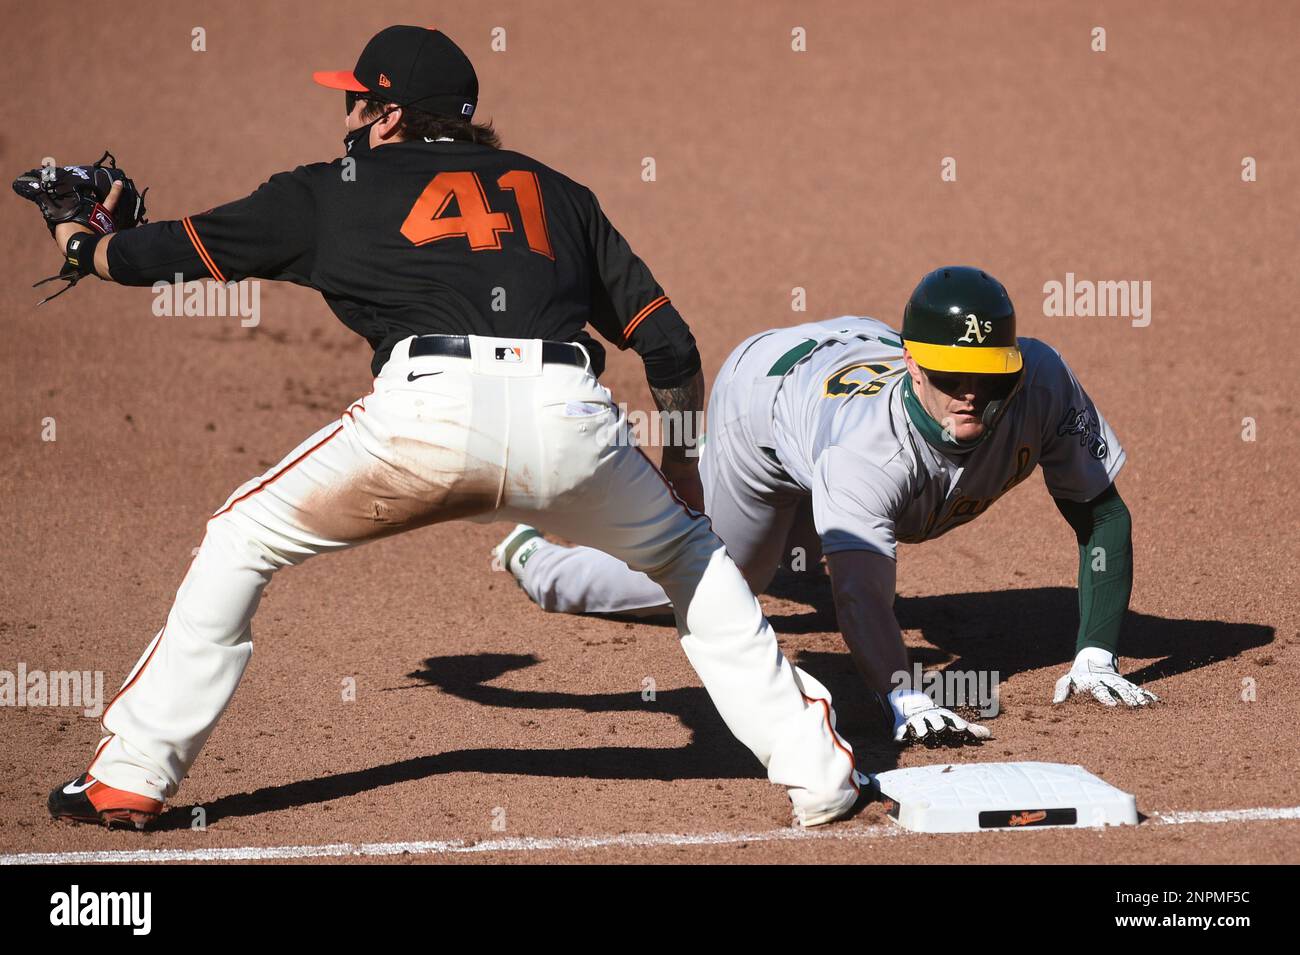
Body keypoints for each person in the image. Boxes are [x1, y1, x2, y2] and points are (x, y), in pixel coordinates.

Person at [23, 25, 858, 830]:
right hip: (571, 426)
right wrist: (680, 470)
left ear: (387, 115)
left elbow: (148, 258)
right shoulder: (559, 195)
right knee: (690, 559)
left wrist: (82, 241)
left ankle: (129, 777)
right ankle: (820, 777)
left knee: (243, 535)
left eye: (355, 103)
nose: (346, 118)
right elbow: (670, 345)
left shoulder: (322, 191)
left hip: (424, 421)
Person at [497, 267, 1159, 745]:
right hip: (763, 398)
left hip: (845, 356)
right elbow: (862, 600)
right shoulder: (865, 454)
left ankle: (812, 531)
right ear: (915, 366)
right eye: (951, 377)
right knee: (728, 575)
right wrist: (901, 695)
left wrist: (1096, 653)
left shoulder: (1043, 382)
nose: (972, 394)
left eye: (989, 376)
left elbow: (1101, 512)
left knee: (829, 537)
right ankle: (539, 560)